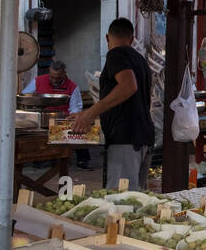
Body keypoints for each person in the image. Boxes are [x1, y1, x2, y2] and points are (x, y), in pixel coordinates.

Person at [69, 18, 153, 190]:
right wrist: (88, 115)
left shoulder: (116, 54)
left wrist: (89, 114)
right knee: (138, 201)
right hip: (144, 137)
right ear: (132, 39)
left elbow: (129, 86)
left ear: (107, 38)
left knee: (121, 202)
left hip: (126, 139)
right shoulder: (140, 60)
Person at [23, 59, 89, 169]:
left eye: (57, 78)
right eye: (52, 77)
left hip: (62, 119)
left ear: (64, 74)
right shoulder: (38, 81)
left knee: (78, 127)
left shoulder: (72, 87)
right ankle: (40, 158)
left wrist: (71, 117)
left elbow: (75, 108)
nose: (54, 80)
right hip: (42, 117)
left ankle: (82, 160)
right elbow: (26, 96)